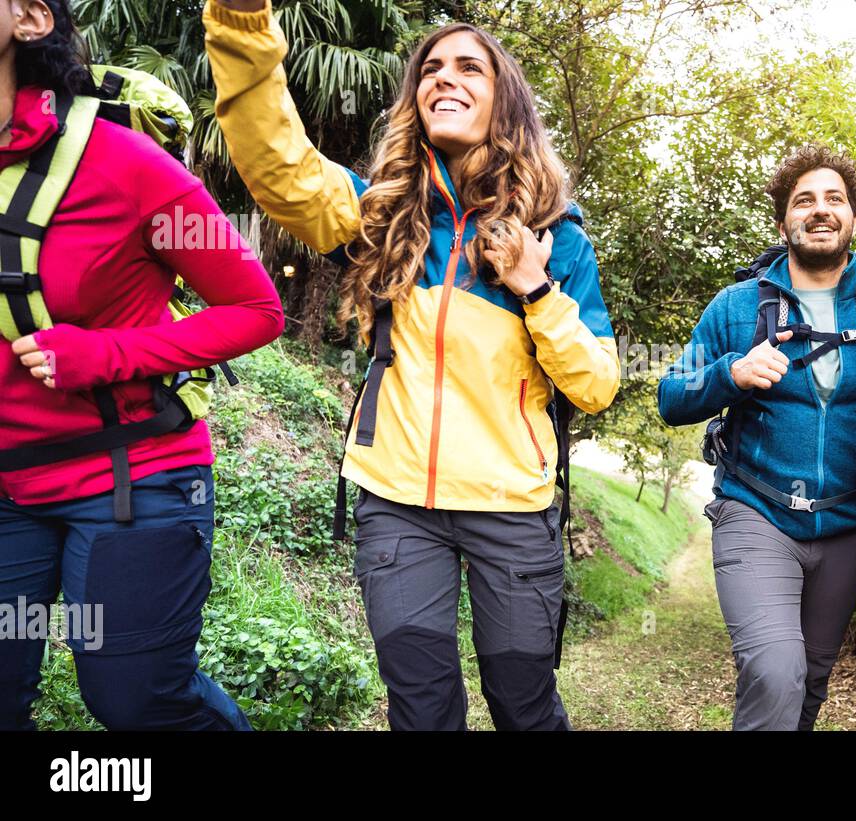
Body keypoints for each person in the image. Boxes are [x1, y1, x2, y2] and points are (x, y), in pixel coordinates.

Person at [204, 0, 619, 731]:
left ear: (505, 101)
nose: (443, 79)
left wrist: (535, 287)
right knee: (421, 710)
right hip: (396, 503)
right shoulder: (382, 216)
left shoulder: (555, 236)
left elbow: (595, 385)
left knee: (524, 705)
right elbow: (279, 164)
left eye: (468, 67)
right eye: (430, 69)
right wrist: (241, 25)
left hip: (512, 508)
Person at [0, 0, 283, 730]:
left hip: (131, 474)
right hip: (8, 483)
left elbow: (256, 310)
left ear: (29, 18)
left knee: (138, 703)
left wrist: (104, 354)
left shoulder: (123, 164)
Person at [658, 145, 856, 730]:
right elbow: (671, 397)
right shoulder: (737, 307)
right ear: (783, 220)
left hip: (846, 524)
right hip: (756, 512)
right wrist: (732, 373)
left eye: (834, 198)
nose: (820, 209)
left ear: (853, 217)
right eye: (803, 200)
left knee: (809, 683)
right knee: (775, 669)